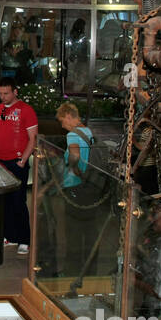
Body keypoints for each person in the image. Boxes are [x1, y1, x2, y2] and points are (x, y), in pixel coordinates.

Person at [0, 78, 38, 256]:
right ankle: (9, 236)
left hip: (16, 161)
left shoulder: (26, 110)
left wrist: (23, 160)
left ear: (15, 92)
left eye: (6, 93)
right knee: (3, 202)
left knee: (18, 201)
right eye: (1, 93)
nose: (3, 97)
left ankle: (24, 239)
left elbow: (33, 137)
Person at [56, 101, 98, 276]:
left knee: (73, 232)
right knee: (90, 231)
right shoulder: (88, 132)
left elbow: (74, 155)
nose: (62, 125)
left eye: (62, 121)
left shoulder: (72, 135)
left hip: (75, 187)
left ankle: (71, 271)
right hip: (91, 188)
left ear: (68, 115)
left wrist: (75, 170)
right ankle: (90, 271)